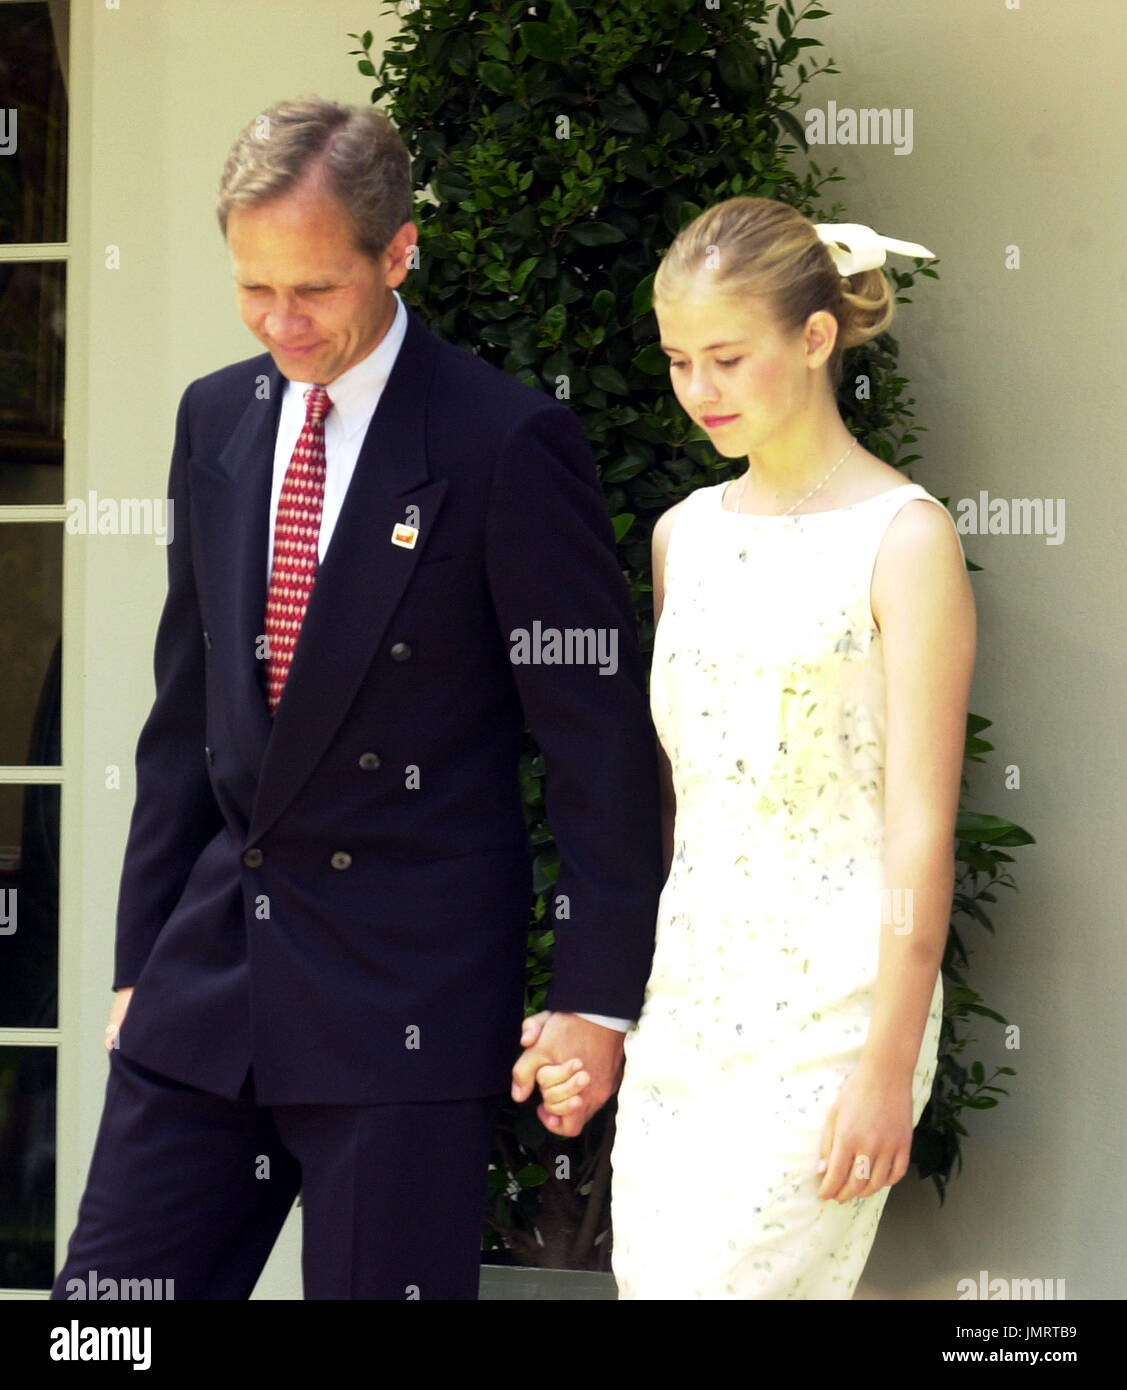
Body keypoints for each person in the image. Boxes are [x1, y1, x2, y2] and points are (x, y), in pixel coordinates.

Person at [50, 96, 663, 1301]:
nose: (281, 322)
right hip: (208, 988)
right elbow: (188, 713)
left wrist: (594, 998)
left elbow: (594, 750)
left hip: (405, 1007)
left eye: (315, 290)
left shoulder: (504, 441)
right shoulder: (214, 417)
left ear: (397, 253)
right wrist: (139, 964)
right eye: (252, 287)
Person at [529, 197, 976, 1298]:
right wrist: (615, 1012)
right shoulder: (683, 534)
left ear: (814, 339)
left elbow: (920, 831)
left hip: (833, 1017)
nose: (697, 390)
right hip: (688, 1017)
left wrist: (885, 1064)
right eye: (679, 360)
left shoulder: (904, 540)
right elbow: (680, 810)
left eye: (725, 357)